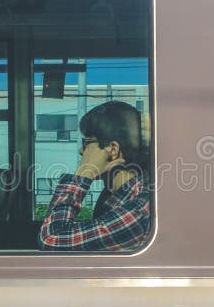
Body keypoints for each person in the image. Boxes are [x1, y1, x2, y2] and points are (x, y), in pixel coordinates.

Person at [38, 101, 150, 252]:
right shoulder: (115, 196)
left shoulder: (140, 209)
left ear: (112, 149)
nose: (80, 151)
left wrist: (83, 174)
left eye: (86, 143)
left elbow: (51, 239)